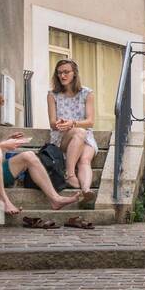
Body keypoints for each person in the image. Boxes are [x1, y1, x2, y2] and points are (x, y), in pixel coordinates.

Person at [0, 86, 81, 217]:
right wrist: (2, 145)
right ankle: (4, 202)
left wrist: (6, 142)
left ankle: (55, 199)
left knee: (28, 156)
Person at [47, 59, 97, 196]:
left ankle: (86, 191)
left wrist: (72, 123)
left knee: (85, 160)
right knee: (79, 132)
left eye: (66, 72)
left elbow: (90, 122)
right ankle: (70, 175)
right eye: (59, 73)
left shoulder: (87, 93)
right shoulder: (52, 95)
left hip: (85, 137)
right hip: (62, 138)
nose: (62, 76)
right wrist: (62, 123)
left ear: (74, 73)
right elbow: (52, 123)